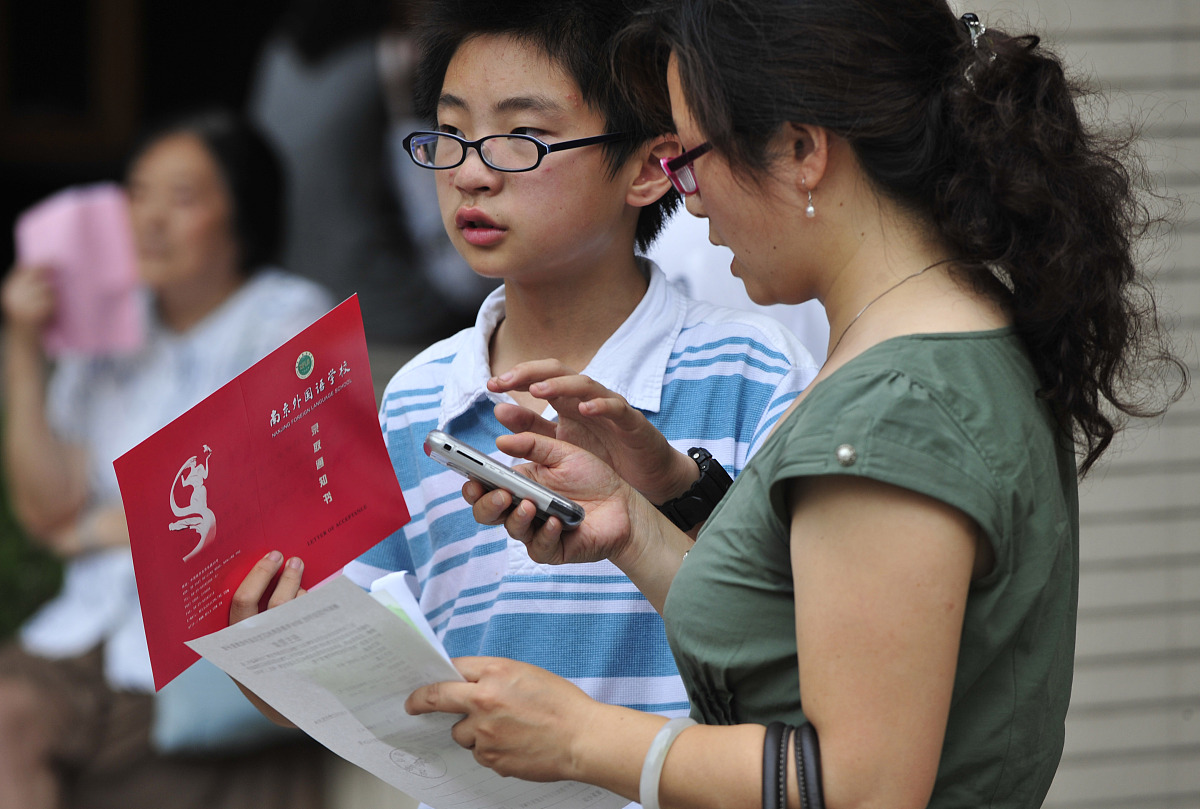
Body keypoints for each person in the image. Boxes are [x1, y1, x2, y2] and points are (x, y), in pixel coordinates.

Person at [300, 2, 1181, 809]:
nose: (689, 194)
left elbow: (861, 785)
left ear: (802, 150)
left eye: (695, 155)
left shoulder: (892, 403)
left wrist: (580, 737)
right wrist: (641, 519)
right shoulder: (934, 346)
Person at [232, 0, 817, 780]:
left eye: (522, 138)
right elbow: (368, 682)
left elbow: (800, 647)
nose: (472, 172)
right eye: (451, 133)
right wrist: (268, 650)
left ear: (649, 167)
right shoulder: (415, 397)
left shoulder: (753, 370)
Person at [0, 111, 335, 809]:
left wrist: (93, 531)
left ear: (240, 213)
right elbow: (45, 508)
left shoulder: (287, 320)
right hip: (85, 632)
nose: (147, 220)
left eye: (181, 199)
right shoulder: (108, 329)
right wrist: (25, 347)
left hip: (193, 646)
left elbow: (261, 498)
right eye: (137, 194)